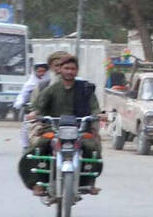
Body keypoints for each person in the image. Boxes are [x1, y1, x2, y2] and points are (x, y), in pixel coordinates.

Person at [21, 53, 102, 197]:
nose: (69, 71)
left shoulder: (85, 88)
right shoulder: (50, 89)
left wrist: (99, 114)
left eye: (72, 69)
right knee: (36, 149)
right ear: (60, 70)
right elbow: (39, 106)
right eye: (66, 68)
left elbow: (94, 107)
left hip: (80, 129)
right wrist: (35, 113)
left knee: (92, 149)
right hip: (53, 128)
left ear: (76, 71)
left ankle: (89, 182)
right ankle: (37, 183)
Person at [15, 62, 51, 147]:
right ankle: (26, 146)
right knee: (26, 126)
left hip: (49, 110)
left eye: (43, 71)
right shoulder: (30, 84)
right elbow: (23, 95)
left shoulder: (51, 84)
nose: (41, 74)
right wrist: (20, 102)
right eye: (39, 71)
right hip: (34, 111)